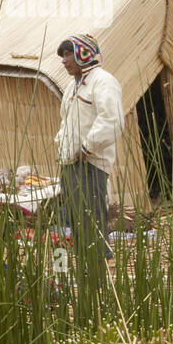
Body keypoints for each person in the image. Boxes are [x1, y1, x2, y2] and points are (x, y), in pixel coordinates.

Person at [55, 34, 122, 262]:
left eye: (68, 54)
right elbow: (66, 121)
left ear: (84, 54)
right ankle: (85, 272)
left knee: (91, 222)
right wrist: (62, 148)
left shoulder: (103, 81)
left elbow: (112, 120)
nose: (64, 60)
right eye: (62, 55)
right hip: (71, 164)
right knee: (77, 222)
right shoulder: (72, 86)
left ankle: (97, 275)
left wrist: (86, 148)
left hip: (90, 164)